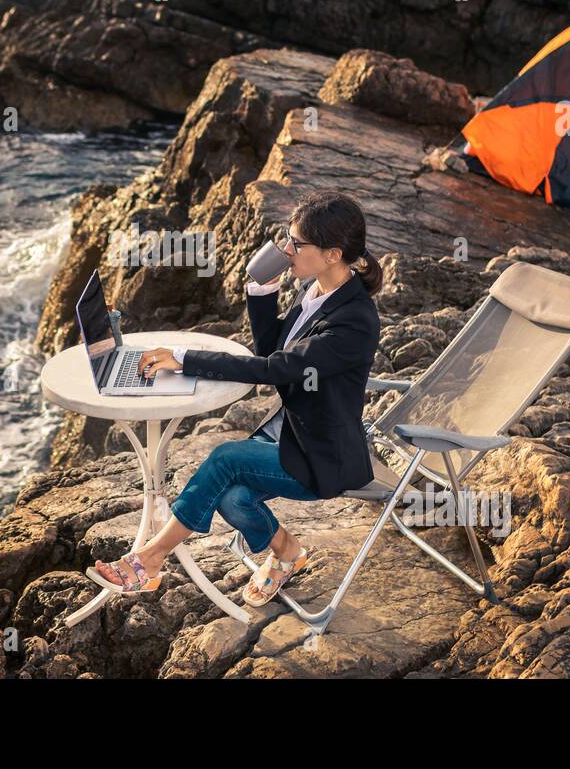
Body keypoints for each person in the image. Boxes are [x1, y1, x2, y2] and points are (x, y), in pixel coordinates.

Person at [86, 191, 383, 606]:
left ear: (333, 254)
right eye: (287, 239)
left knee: (225, 459)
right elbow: (271, 352)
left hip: (323, 457)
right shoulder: (314, 290)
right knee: (231, 495)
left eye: (296, 245)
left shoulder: (353, 322)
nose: (286, 250)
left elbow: (272, 371)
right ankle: (287, 553)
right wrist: (262, 293)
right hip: (290, 433)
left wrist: (184, 359)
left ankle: (150, 559)